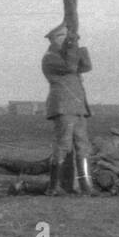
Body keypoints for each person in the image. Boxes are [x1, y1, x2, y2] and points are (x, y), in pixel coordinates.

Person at [41, 23, 93, 196]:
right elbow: (71, 67)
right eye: (63, 36)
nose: (67, 39)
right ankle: (54, 186)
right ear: (54, 39)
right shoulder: (50, 57)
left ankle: (86, 185)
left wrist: (76, 45)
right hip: (63, 107)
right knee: (63, 145)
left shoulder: (67, 54)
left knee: (82, 146)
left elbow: (86, 65)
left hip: (78, 108)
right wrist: (72, 46)